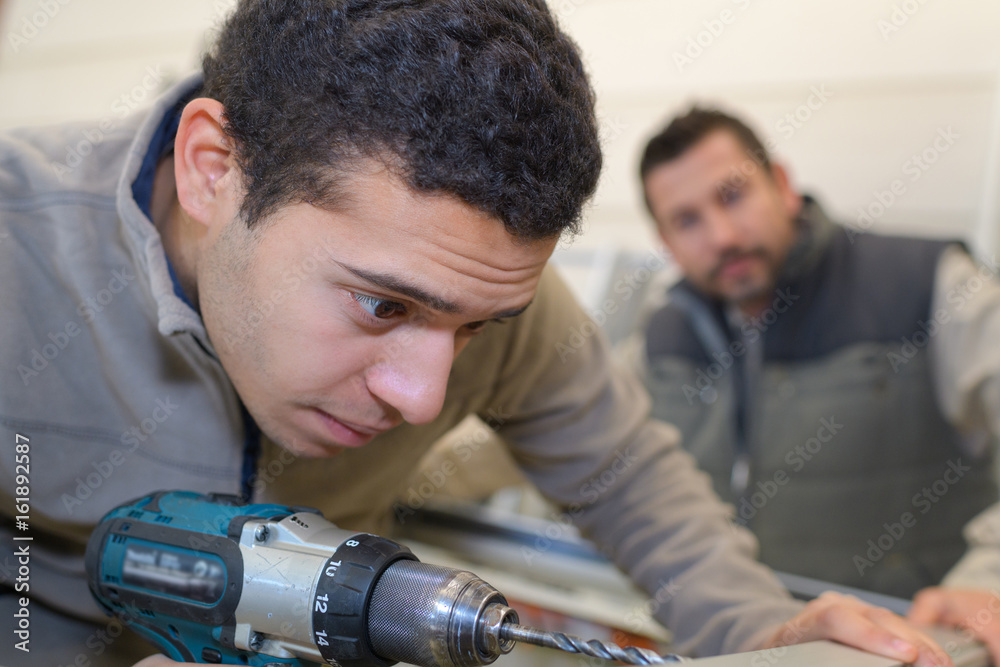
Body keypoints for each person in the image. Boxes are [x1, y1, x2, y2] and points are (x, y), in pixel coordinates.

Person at [0, 3, 956, 666]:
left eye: (479, 326)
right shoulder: (17, 247)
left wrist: (759, 628)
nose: (423, 398)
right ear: (214, 171)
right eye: (383, 305)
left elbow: (631, 479)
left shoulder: (485, 292)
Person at [635, 106, 1000, 659]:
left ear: (782, 185)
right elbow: (564, 423)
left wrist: (989, 579)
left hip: (911, 651)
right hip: (754, 646)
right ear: (665, 241)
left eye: (733, 196)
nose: (723, 235)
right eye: (687, 221)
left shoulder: (928, 284)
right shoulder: (661, 330)